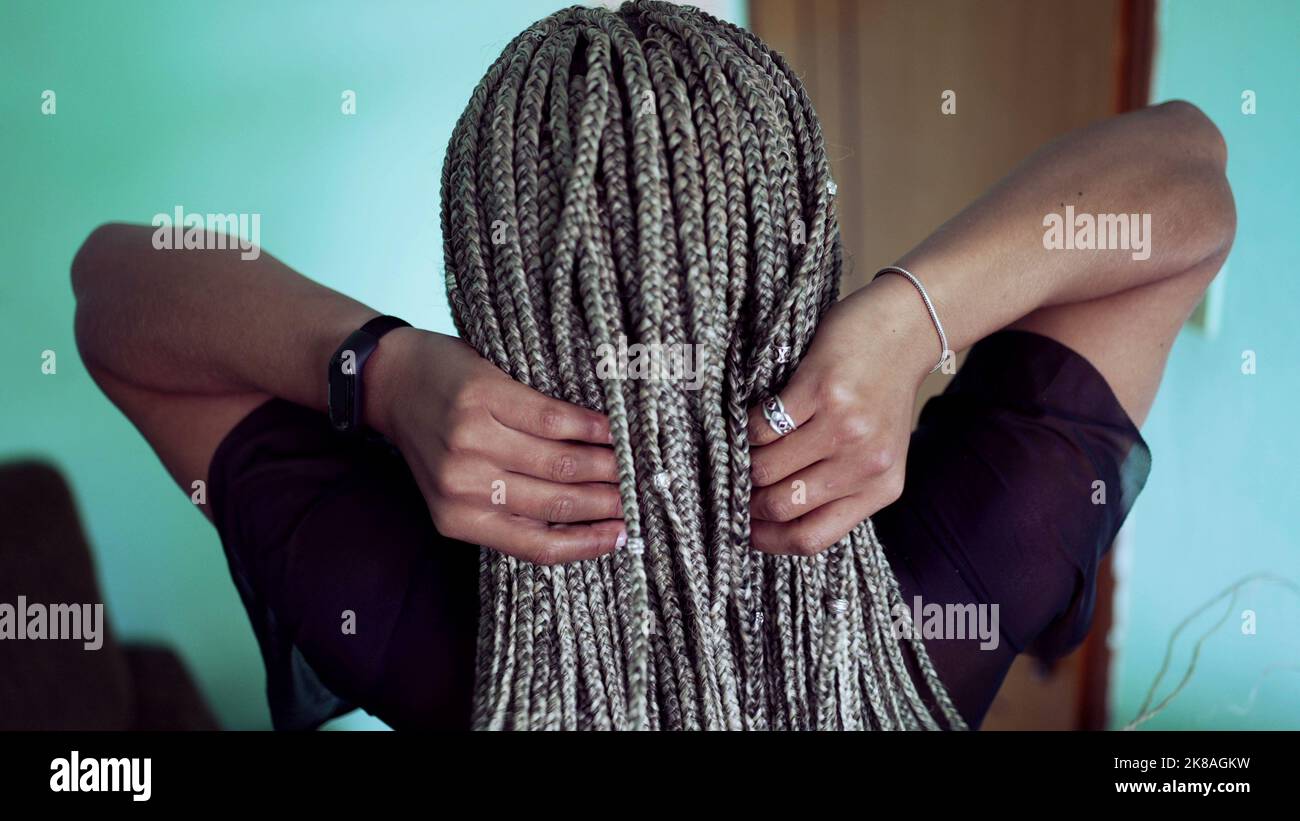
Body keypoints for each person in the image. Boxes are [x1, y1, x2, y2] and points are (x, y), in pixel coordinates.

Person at [71, 12, 1233, 728]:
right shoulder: (945, 574)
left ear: (490, 276)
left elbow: (110, 289)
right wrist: (910, 318)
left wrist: (376, 368)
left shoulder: (419, 618)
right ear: (794, 247)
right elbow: (1187, 166)